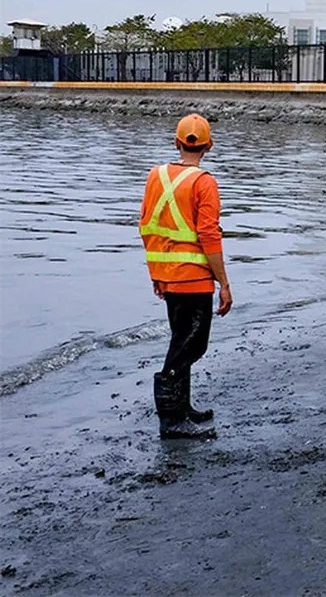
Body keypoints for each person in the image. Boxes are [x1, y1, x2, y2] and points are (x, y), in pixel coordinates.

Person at [139, 113, 232, 440]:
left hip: (169, 276)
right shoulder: (204, 182)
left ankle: (183, 407)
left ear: (177, 142)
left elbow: (146, 226)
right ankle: (171, 420)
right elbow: (209, 235)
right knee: (190, 345)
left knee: (181, 339)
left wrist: (157, 273)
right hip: (194, 279)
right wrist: (224, 283)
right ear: (209, 146)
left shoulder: (156, 175)